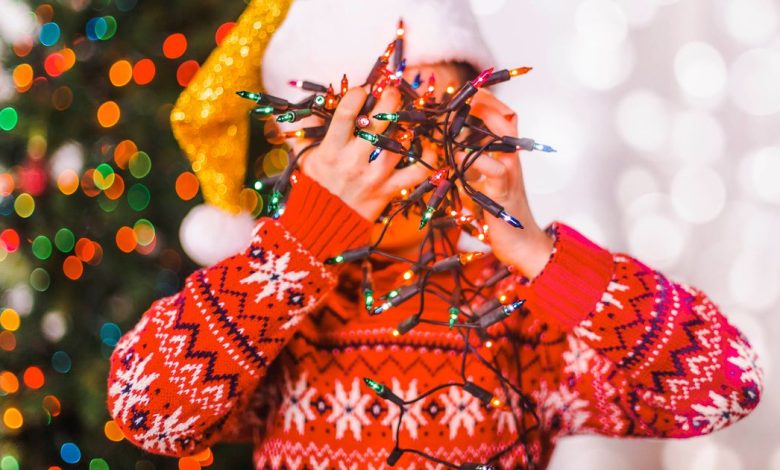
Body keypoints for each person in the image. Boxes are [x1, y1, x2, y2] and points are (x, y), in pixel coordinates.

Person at [106, 0, 763, 468]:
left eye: (429, 118)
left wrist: (536, 252)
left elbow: (724, 385)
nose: (394, 158)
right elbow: (147, 410)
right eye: (361, 130)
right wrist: (301, 245)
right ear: (304, 148)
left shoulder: (517, 315)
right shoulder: (274, 313)